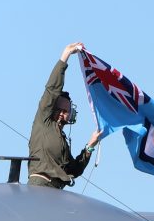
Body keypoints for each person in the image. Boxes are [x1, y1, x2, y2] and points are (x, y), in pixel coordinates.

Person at [28, 41, 102, 189]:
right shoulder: (44, 121)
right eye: (59, 109)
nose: (62, 114)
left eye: (66, 110)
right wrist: (65, 56)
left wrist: (90, 146)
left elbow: (74, 169)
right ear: (51, 108)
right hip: (40, 187)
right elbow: (52, 89)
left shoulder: (63, 143)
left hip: (57, 192)